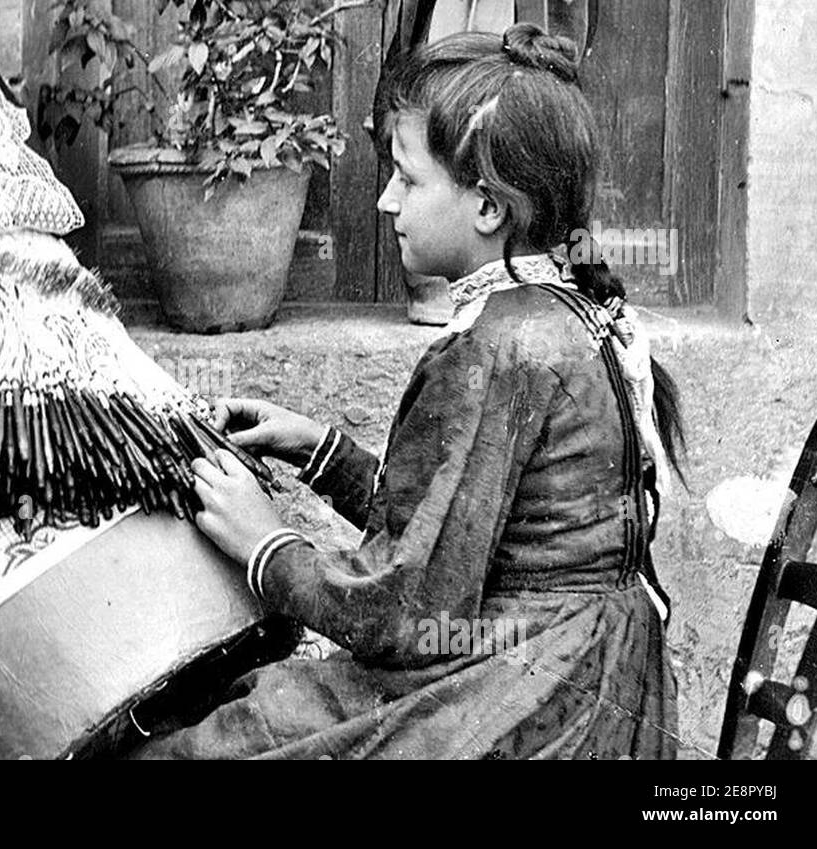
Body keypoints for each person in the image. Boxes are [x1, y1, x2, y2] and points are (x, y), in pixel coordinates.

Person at [130, 22, 686, 759]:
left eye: (407, 177)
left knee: (203, 745)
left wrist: (265, 542)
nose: (387, 201)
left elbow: (406, 608)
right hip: (588, 667)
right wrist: (320, 450)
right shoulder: (563, 313)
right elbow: (463, 528)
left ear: (489, 207)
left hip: (530, 694)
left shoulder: (496, 349)